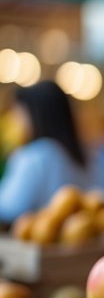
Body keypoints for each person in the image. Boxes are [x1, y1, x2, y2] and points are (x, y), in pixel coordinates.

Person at [0, 81, 91, 223]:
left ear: (34, 115)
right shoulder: (91, 156)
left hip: (41, 236)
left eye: (19, 114)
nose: (15, 121)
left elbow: (8, 208)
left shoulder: (35, 156)